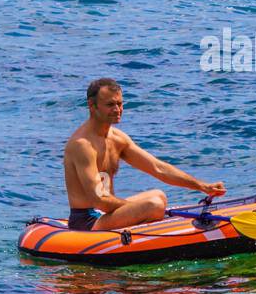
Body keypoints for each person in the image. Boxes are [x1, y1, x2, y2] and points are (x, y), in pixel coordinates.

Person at [63, 78, 225, 231]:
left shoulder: (117, 138)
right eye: (110, 104)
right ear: (92, 105)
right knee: (153, 205)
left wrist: (202, 186)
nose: (117, 110)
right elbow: (98, 200)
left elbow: (158, 168)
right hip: (88, 221)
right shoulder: (82, 145)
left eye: (120, 103)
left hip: (105, 213)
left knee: (158, 195)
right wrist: (136, 209)